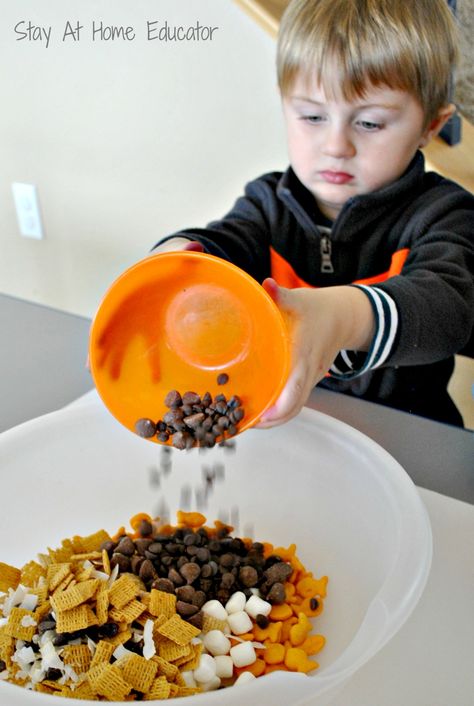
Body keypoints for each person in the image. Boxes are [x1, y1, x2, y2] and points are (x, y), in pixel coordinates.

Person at [152, 0, 474, 428]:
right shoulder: (267, 203)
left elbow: (449, 311)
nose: (336, 145)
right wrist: (172, 261)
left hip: (409, 437)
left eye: (371, 123)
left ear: (430, 127)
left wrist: (341, 317)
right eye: (313, 116)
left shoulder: (445, 214)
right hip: (289, 431)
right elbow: (221, 244)